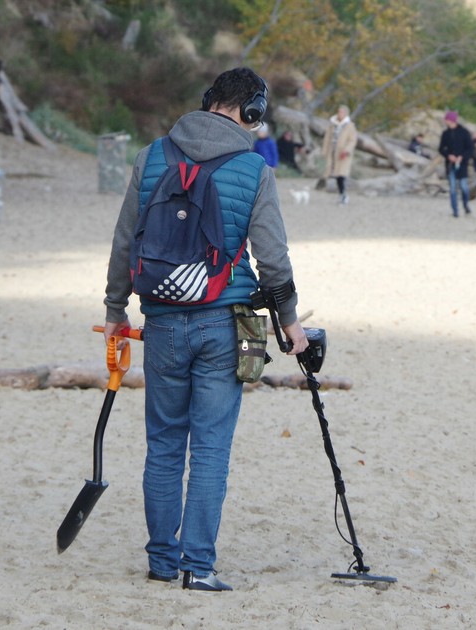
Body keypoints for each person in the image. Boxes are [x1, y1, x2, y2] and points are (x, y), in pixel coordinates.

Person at [102, 67, 309, 592]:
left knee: (164, 444)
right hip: (225, 325)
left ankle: (161, 560)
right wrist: (290, 325)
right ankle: (199, 567)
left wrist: (114, 310)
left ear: (207, 101)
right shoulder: (254, 169)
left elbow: (125, 240)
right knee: (211, 448)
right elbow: (274, 260)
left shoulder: (151, 156)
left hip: (162, 323)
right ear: (253, 112)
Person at [437, 111, 475, 218]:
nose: (445, 121)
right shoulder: (445, 133)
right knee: (452, 188)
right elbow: (441, 148)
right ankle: (455, 210)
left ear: (451, 120)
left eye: (446, 119)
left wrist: (462, 157)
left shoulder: (464, 132)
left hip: (462, 164)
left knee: (464, 187)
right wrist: (448, 155)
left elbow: (470, 148)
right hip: (450, 164)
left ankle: (465, 205)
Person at [321, 104, 357, 204]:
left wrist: (347, 150)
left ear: (346, 114)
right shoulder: (332, 125)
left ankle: (343, 194)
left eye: (341, 112)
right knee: (335, 174)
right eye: (339, 111)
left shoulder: (350, 126)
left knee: (341, 174)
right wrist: (324, 151)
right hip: (333, 152)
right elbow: (327, 138)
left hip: (343, 154)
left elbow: (352, 140)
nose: (339, 114)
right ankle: (340, 194)